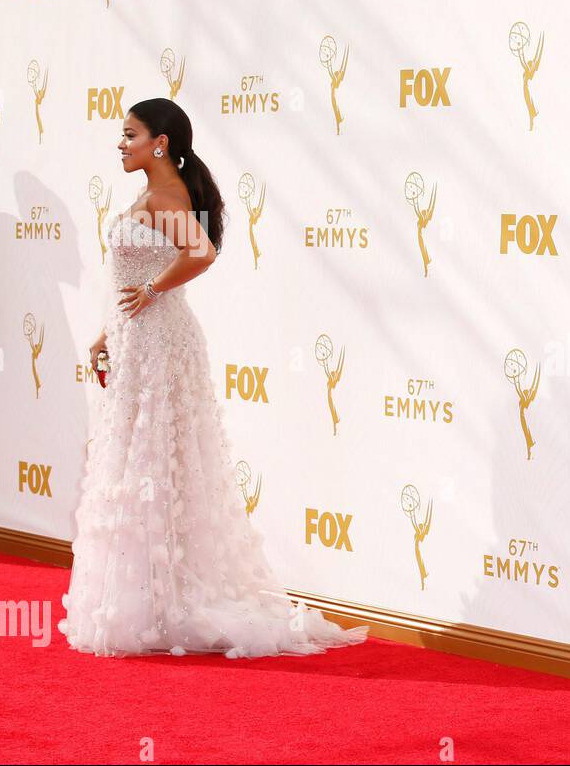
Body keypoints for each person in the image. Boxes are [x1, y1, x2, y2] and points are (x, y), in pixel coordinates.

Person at [58, 98, 369, 658]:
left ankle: (164, 600)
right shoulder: (152, 193)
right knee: (143, 461)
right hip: (140, 339)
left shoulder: (165, 194)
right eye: (120, 135)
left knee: (156, 463)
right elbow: (136, 271)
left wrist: (151, 294)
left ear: (161, 142)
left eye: (129, 134)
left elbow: (200, 253)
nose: (120, 144)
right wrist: (110, 331)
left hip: (159, 343)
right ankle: (155, 597)